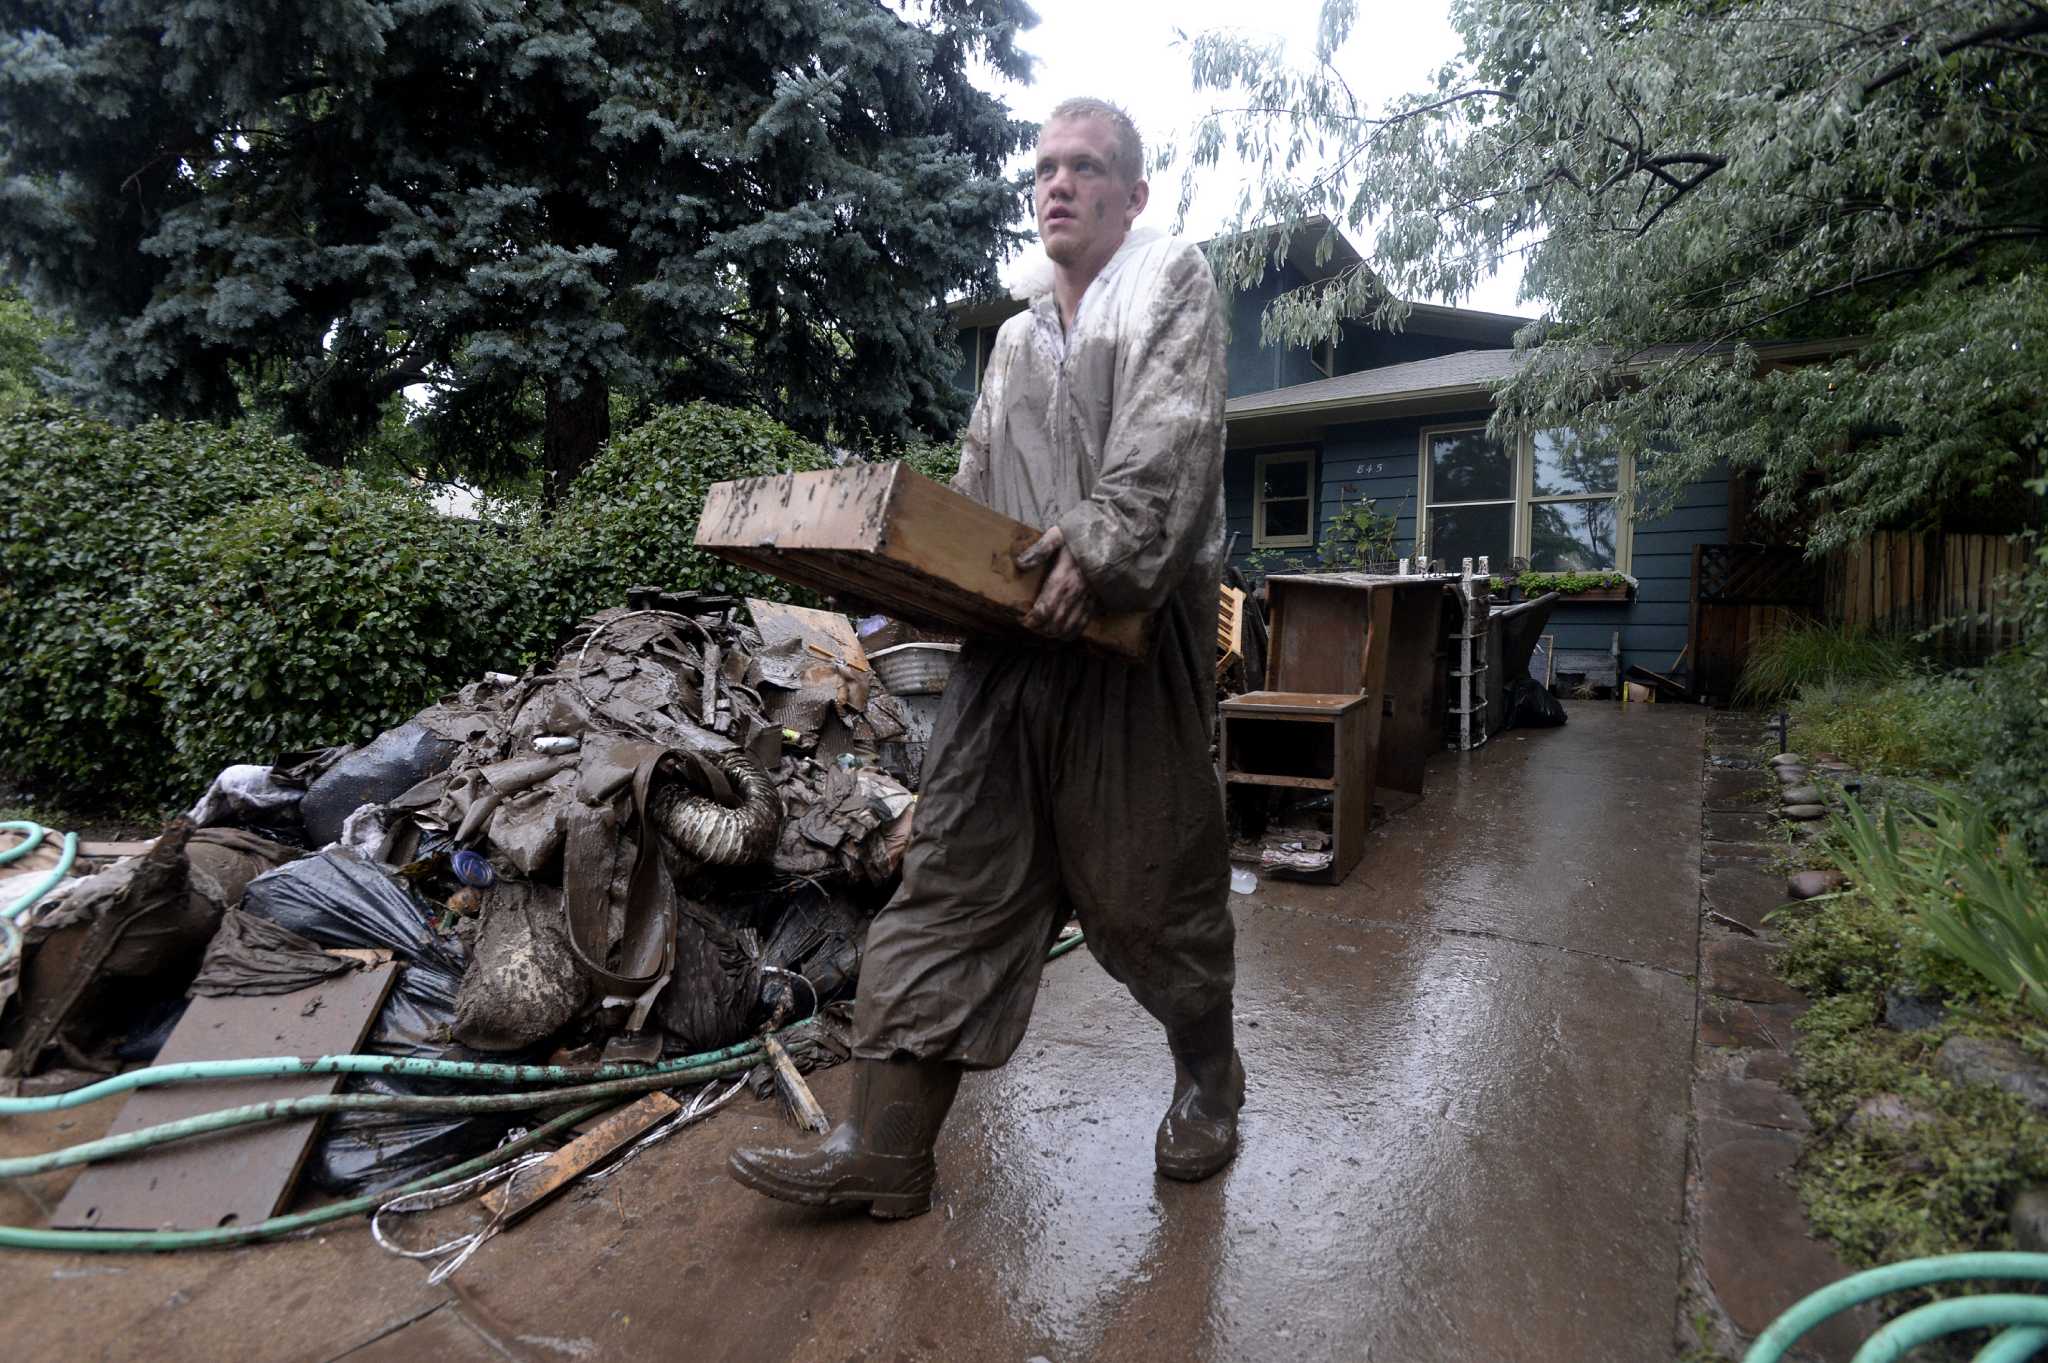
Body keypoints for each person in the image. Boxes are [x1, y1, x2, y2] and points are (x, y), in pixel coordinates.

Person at [728, 97, 1239, 1219]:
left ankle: (1210, 1078)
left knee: (1151, 894)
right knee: (948, 880)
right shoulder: (1012, 339)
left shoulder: (1171, 288)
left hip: (1127, 651)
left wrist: (1098, 547)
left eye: (1085, 167)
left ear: (1133, 194)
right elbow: (970, 489)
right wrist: (914, 572)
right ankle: (883, 1147)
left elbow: (1172, 449)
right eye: (1044, 167)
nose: (1055, 184)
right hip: (1008, 660)